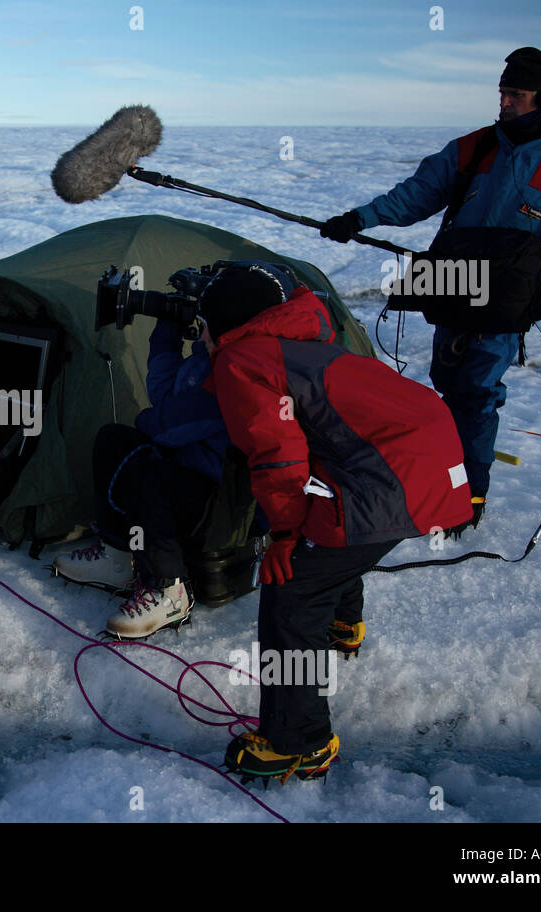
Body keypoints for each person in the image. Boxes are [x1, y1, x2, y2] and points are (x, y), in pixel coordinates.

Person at [320, 48, 541, 533]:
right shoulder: (476, 146)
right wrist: (360, 218)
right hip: (457, 277)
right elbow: (417, 193)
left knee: (478, 390)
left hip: (510, 294)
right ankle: (448, 467)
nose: (504, 103)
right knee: (447, 380)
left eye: (516, 95)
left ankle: (469, 492)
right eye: (502, 93)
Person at [192, 263, 472, 783]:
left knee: (293, 591)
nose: (200, 337)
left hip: (393, 477)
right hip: (432, 462)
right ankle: (344, 626)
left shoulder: (241, 360)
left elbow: (276, 457)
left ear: (225, 324)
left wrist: (283, 535)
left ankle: (297, 742)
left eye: (202, 326)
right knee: (335, 543)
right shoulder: (297, 343)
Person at [50, 265, 269, 638]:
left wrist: (153, 424)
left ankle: (168, 589)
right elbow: (165, 398)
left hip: (232, 508)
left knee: (153, 473)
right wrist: (167, 330)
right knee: (114, 439)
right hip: (198, 474)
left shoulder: (240, 369)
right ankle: (119, 555)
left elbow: (166, 424)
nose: (199, 327)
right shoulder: (210, 353)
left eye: (204, 320)